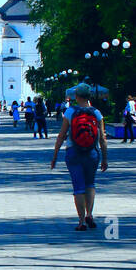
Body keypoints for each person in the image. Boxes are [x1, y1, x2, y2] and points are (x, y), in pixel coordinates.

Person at [50, 84, 108, 232]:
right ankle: (90, 214)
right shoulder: (96, 113)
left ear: (77, 97)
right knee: (90, 184)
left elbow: (61, 135)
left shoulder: (70, 112)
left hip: (73, 152)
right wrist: (105, 158)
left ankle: (81, 221)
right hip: (92, 153)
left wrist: (55, 156)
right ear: (89, 97)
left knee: (78, 186)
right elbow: (102, 137)